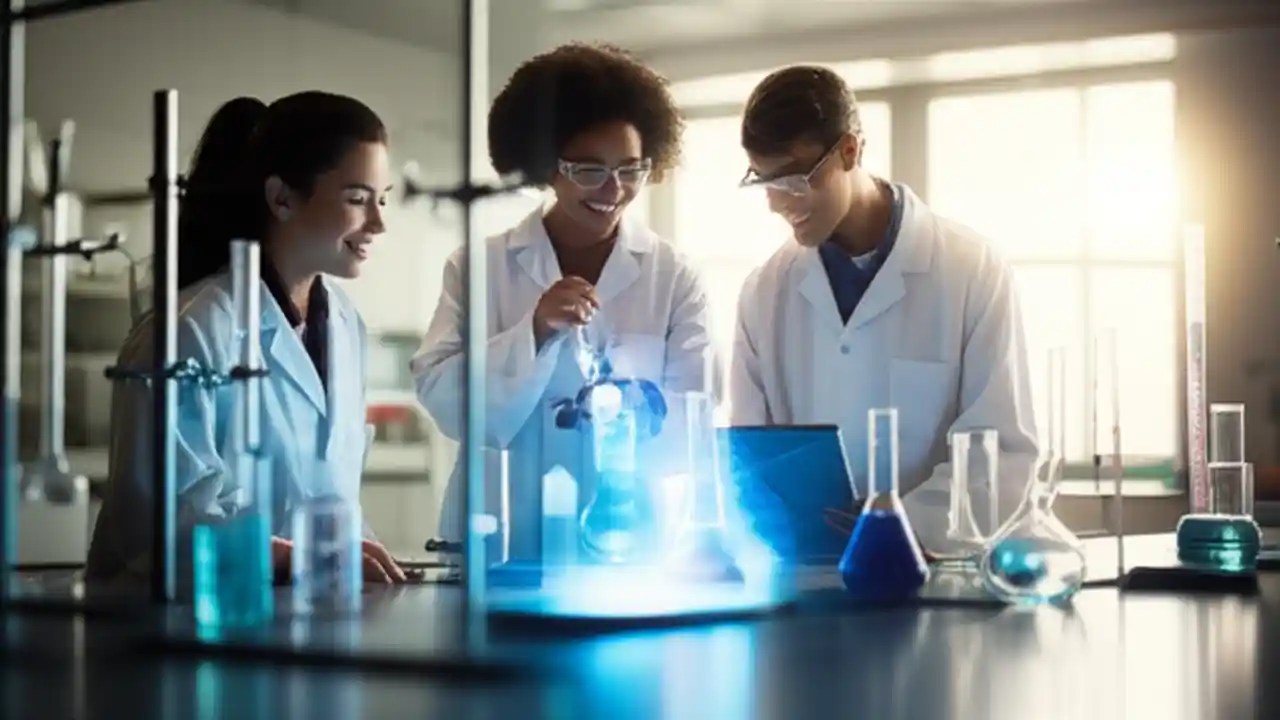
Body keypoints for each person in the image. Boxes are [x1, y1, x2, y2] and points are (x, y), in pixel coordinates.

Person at [87, 92, 406, 585]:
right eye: (357, 198)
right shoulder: (190, 329)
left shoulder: (344, 323)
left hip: (304, 615)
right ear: (281, 198)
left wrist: (366, 559)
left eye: (382, 199)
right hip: (180, 625)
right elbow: (153, 526)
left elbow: (333, 494)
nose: (379, 223)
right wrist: (293, 557)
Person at [412, 43, 713, 562]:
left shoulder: (674, 276)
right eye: (589, 170)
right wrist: (533, 332)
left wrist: (629, 418)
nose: (613, 189)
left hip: (625, 539)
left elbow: (696, 416)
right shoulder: (479, 267)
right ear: (546, 168)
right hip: (499, 533)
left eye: (631, 168)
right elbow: (443, 398)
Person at [730, 66, 1039, 550]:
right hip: (809, 576)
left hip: (937, 571)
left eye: (792, 178)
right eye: (763, 181)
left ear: (849, 151)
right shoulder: (765, 292)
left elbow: (1000, 450)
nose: (776, 203)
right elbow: (748, 454)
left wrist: (898, 525)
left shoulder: (971, 268)